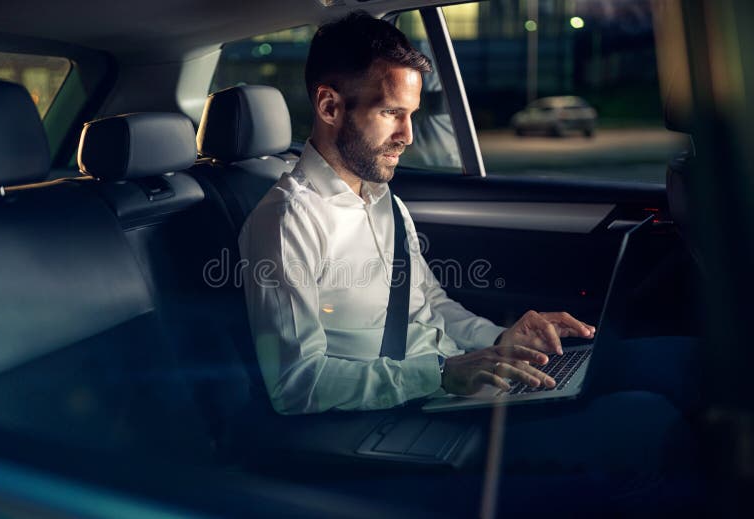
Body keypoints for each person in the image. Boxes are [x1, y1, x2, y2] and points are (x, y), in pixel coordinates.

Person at [238, 11, 600, 415]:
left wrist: (500, 343)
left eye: (411, 114)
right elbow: (296, 383)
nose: (407, 136)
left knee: (632, 375)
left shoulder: (384, 201)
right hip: (390, 422)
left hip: (449, 396)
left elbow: (430, 304)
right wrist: (441, 373)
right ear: (329, 107)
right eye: (391, 113)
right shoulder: (289, 220)